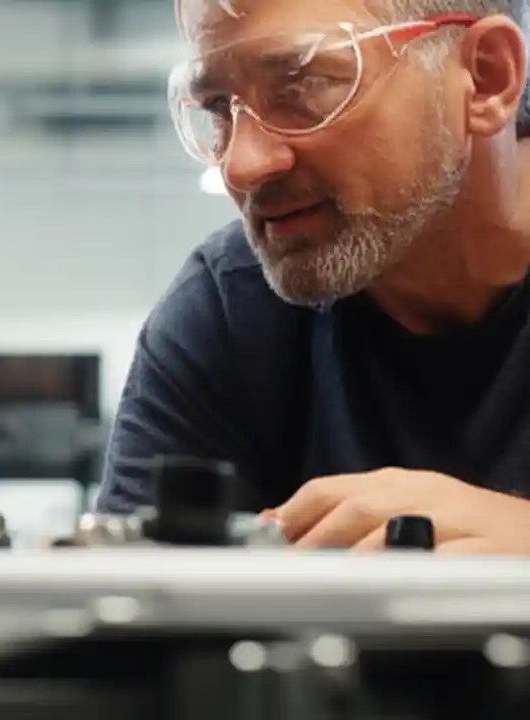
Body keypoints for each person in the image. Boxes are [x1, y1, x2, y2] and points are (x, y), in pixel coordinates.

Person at [99, 0, 530, 556]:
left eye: (302, 87)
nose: (241, 166)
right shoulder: (230, 311)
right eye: (217, 109)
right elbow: (128, 615)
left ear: (486, 77)